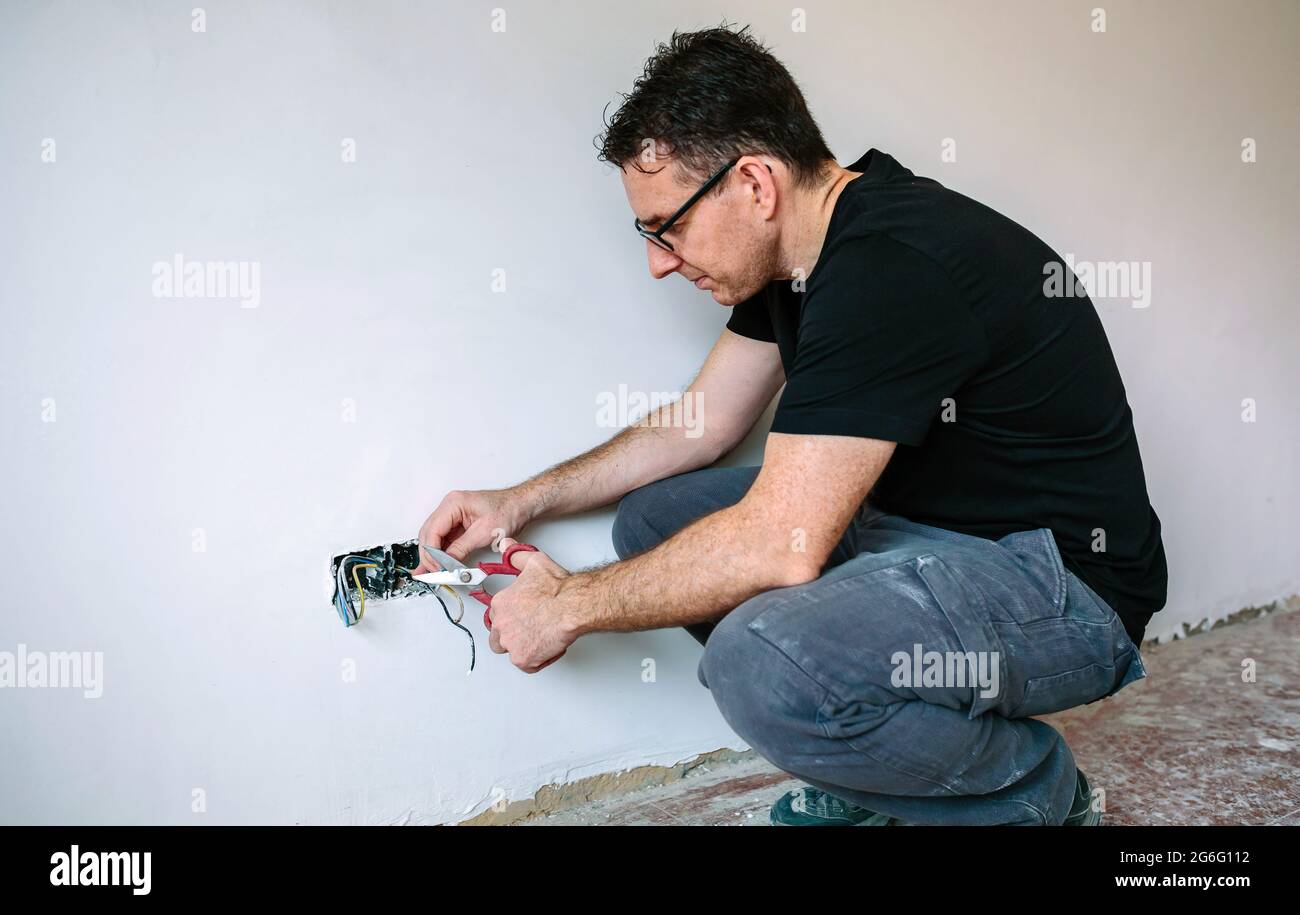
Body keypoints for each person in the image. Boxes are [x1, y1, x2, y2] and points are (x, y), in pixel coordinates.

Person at [413, 24, 1167, 826]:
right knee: (655, 519)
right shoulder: (805, 257)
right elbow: (698, 426)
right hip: (926, 539)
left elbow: (783, 541)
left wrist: (565, 605)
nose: (659, 262)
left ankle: (1033, 791)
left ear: (756, 184)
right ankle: (890, 768)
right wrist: (519, 501)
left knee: (759, 667)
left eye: (667, 227)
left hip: (1063, 589)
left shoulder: (892, 265)